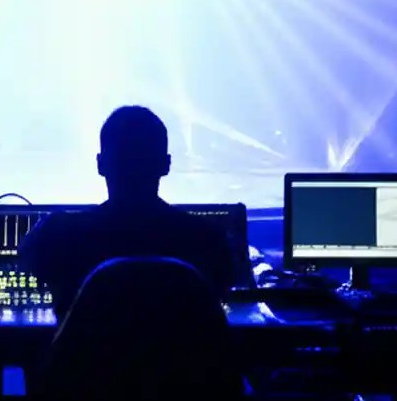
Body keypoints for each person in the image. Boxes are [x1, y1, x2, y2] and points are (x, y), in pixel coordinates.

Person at [19, 106, 235, 318]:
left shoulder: (56, 235)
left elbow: (27, 265)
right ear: (165, 165)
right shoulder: (208, 240)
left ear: (100, 164)